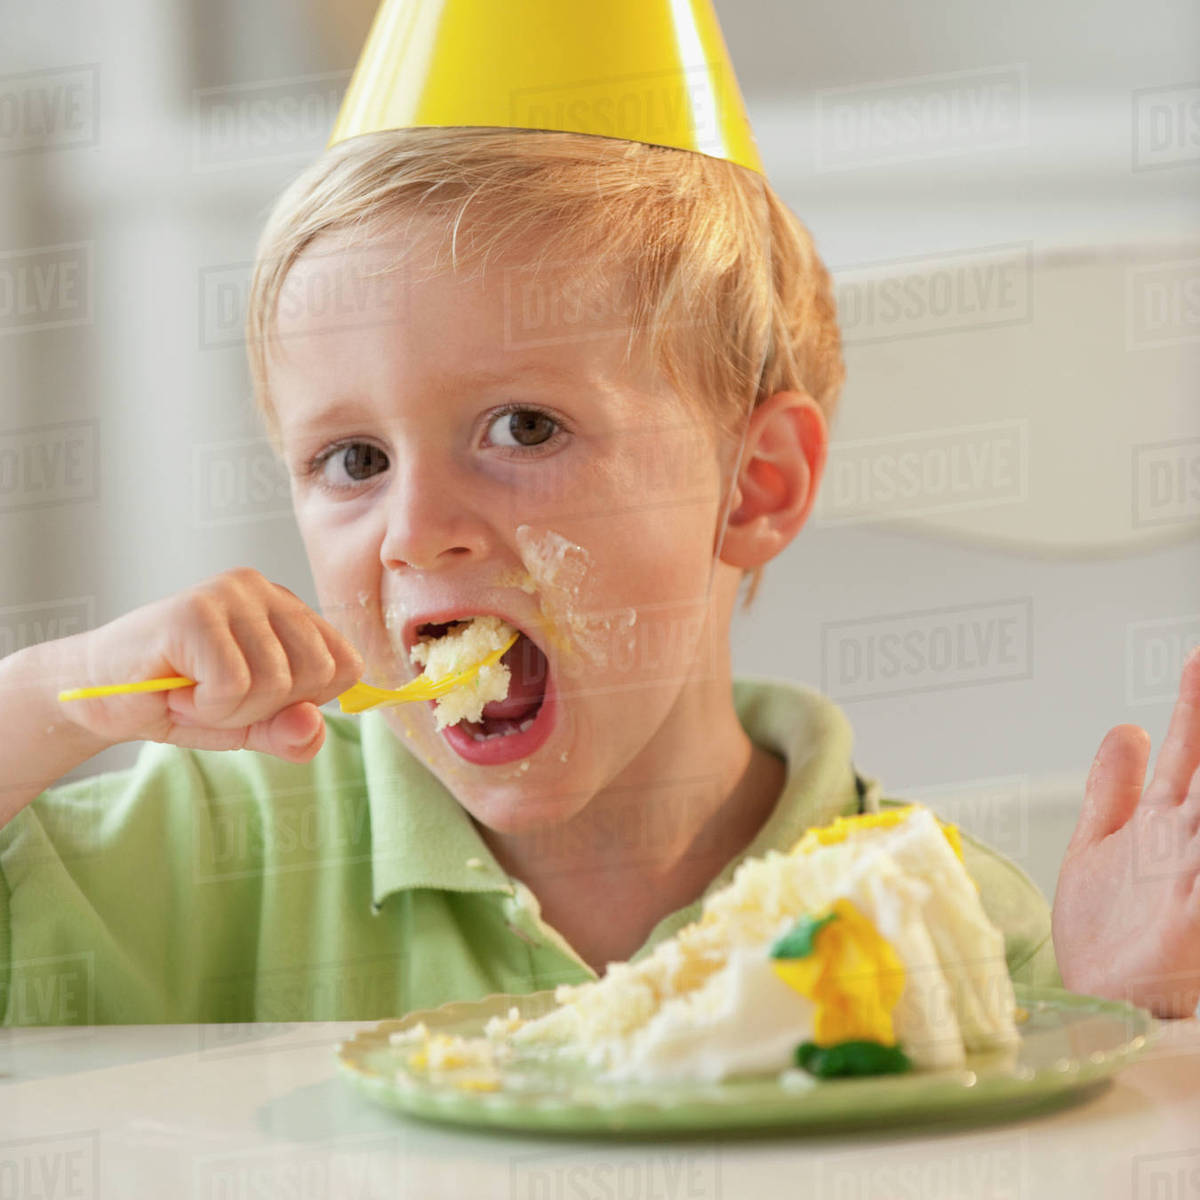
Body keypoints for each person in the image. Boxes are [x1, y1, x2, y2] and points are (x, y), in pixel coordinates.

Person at [0, 0, 1081, 1025]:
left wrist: (1141, 1034)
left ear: (757, 484)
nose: (415, 531)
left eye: (523, 429)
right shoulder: (220, 846)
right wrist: (55, 694)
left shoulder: (942, 926)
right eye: (355, 459)